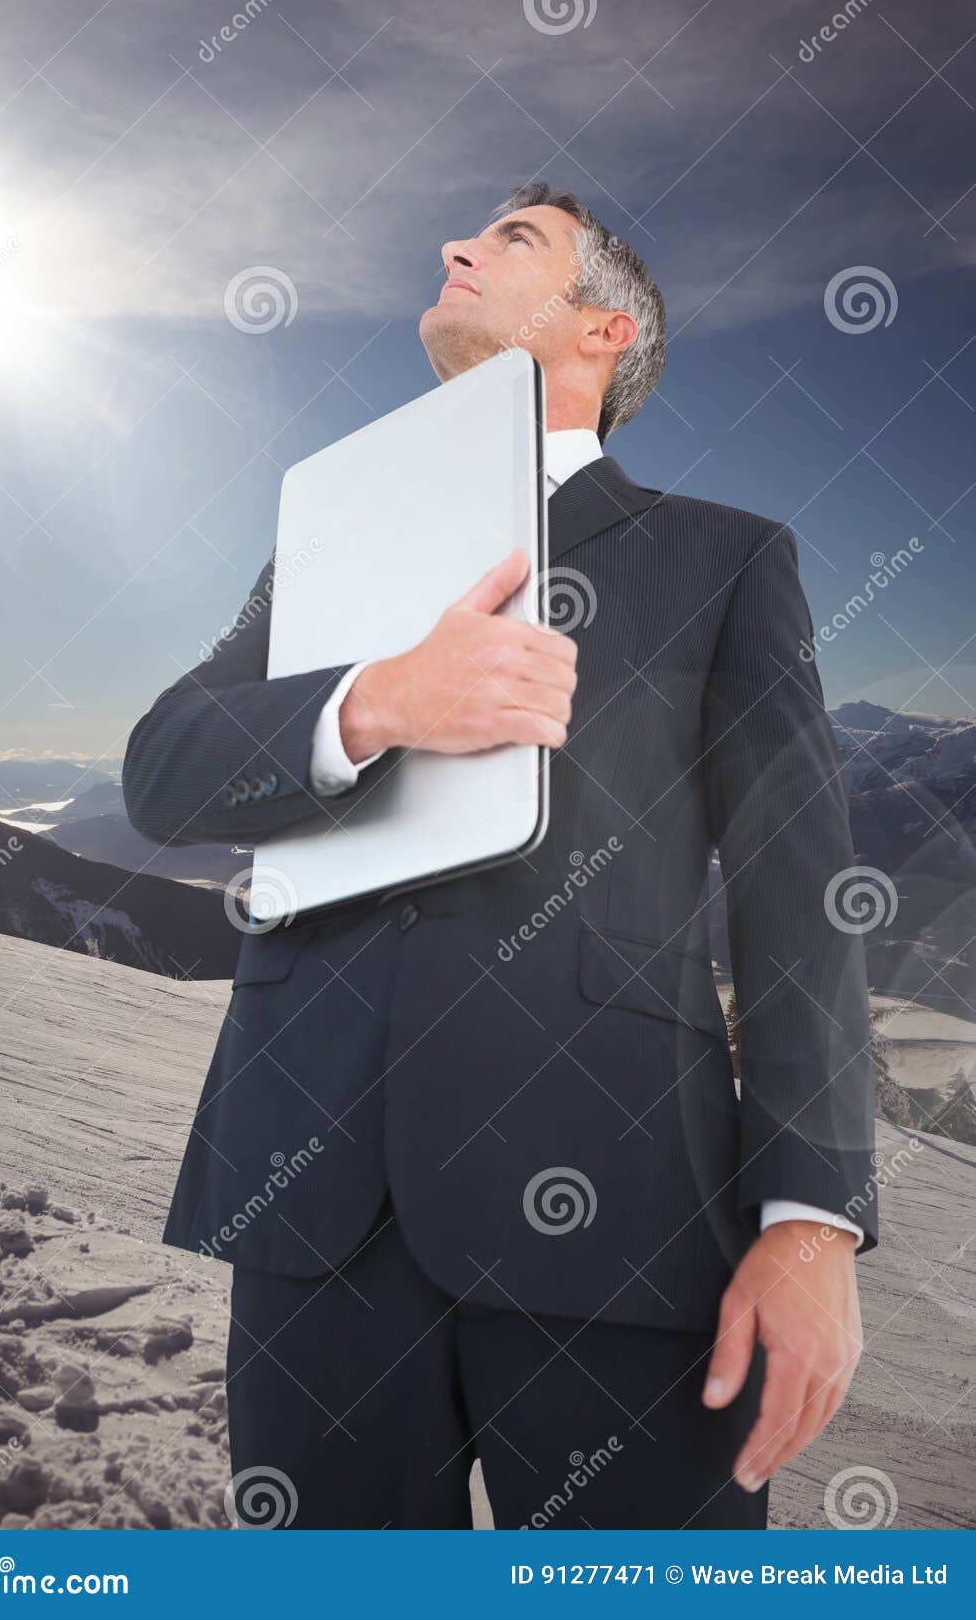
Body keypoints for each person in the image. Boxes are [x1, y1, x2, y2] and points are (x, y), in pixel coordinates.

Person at [122, 184, 876, 1529]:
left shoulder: (724, 562)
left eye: (511, 239)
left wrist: (811, 1215)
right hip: (313, 1214)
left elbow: (798, 900)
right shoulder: (322, 546)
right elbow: (165, 768)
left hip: (626, 1224)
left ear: (602, 329)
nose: (456, 246)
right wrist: (373, 704)